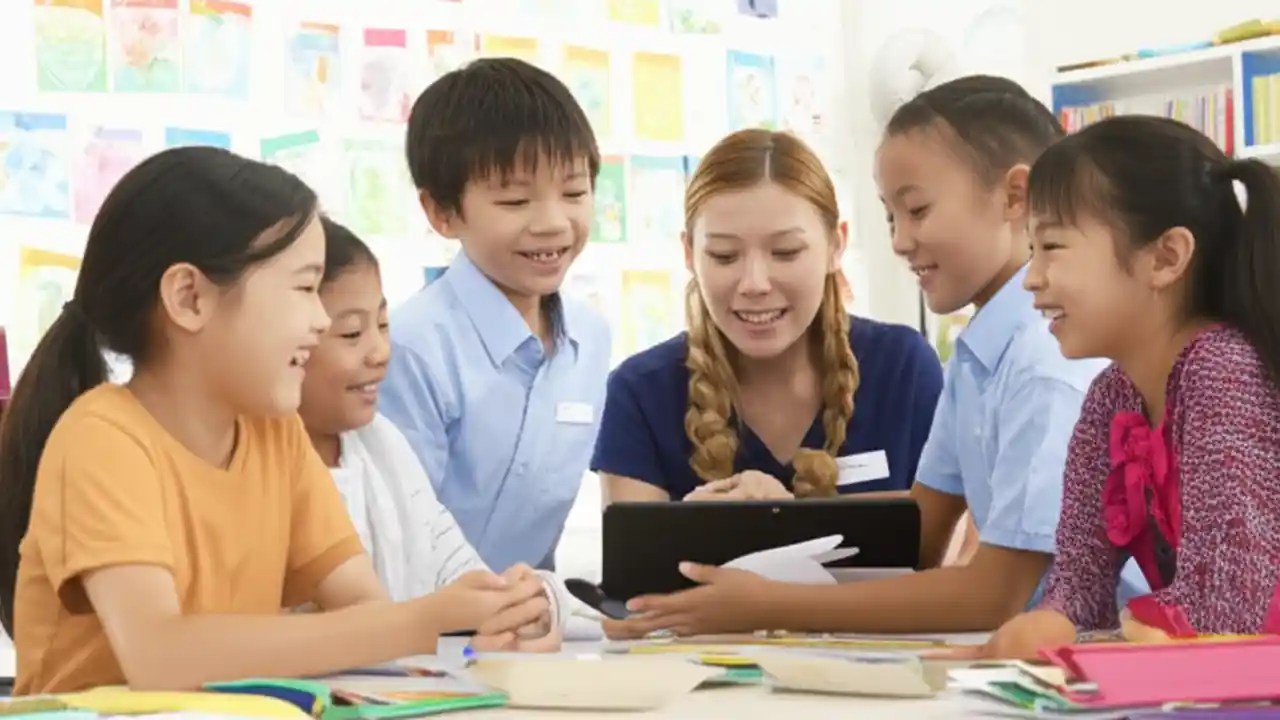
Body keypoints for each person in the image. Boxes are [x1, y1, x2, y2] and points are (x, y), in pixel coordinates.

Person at [602, 76, 1142, 639]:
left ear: (1013, 197)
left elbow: (995, 593)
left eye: (917, 210)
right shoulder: (977, 357)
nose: (900, 241)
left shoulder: (1043, 363)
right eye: (891, 216)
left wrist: (771, 603)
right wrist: (750, 533)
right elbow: (916, 539)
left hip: (1083, 658)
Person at [0, 148, 548, 694]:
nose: (319, 320)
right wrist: (417, 624)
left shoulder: (275, 435)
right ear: (190, 298)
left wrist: (476, 625)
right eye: (304, 288)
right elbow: (159, 657)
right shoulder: (103, 439)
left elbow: (364, 609)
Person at [964, 116, 1280, 659]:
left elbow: (1230, 604)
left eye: (1053, 247)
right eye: (1031, 249)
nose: (1030, 278)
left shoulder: (1221, 370)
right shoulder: (1112, 395)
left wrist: (1088, 642)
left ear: (1165, 258)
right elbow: (1079, 587)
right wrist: (1046, 628)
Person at [592, 128, 942, 505]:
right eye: (725, 256)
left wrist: (779, 525)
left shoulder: (903, 369)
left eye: (786, 252)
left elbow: (955, 552)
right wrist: (689, 531)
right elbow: (633, 561)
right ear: (689, 253)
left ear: (835, 246)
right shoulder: (641, 392)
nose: (754, 284)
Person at [298, 216, 594, 649]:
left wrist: (523, 607)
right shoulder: (264, 461)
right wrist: (436, 616)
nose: (381, 353)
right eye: (350, 333)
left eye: (382, 325)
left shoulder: (381, 443)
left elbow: (458, 569)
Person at [379, 58, 610, 574]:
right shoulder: (412, 347)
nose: (553, 223)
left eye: (574, 192)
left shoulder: (590, 340)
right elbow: (399, 538)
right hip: (421, 630)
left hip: (525, 631)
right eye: (515, 200)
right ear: (442, 212)